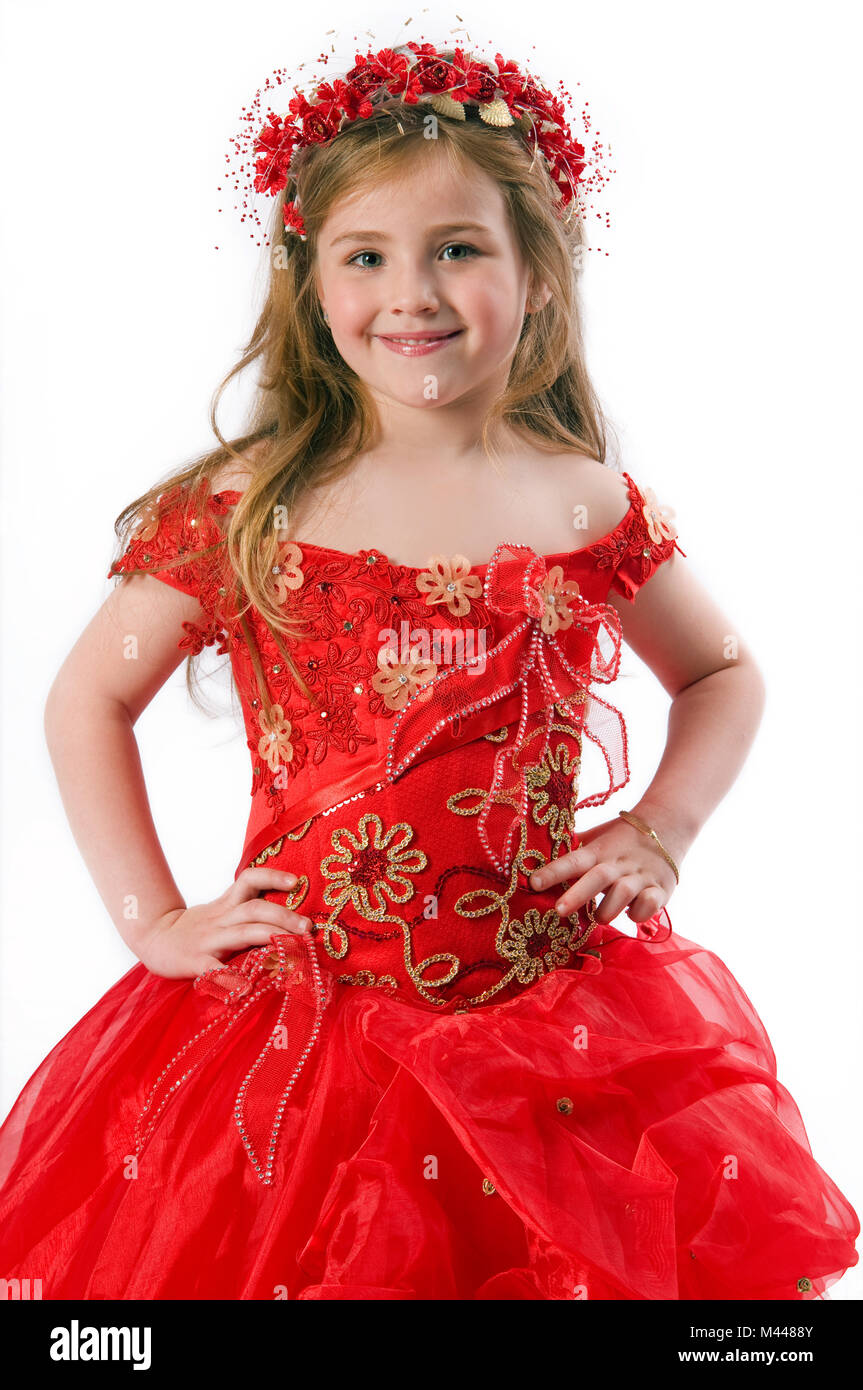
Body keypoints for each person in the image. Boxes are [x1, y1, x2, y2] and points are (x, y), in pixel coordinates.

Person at [0, 39, 858, 1301]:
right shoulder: (250, 506)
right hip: (297, 1028)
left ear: (535, 277)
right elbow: (90, 696)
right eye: (367, 255)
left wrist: (659, 831)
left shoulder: (582, 503)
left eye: (457, 248)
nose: (413, 292)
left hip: (541, 1032)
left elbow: (723, 672)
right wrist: (159, 922)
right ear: (313, 282)